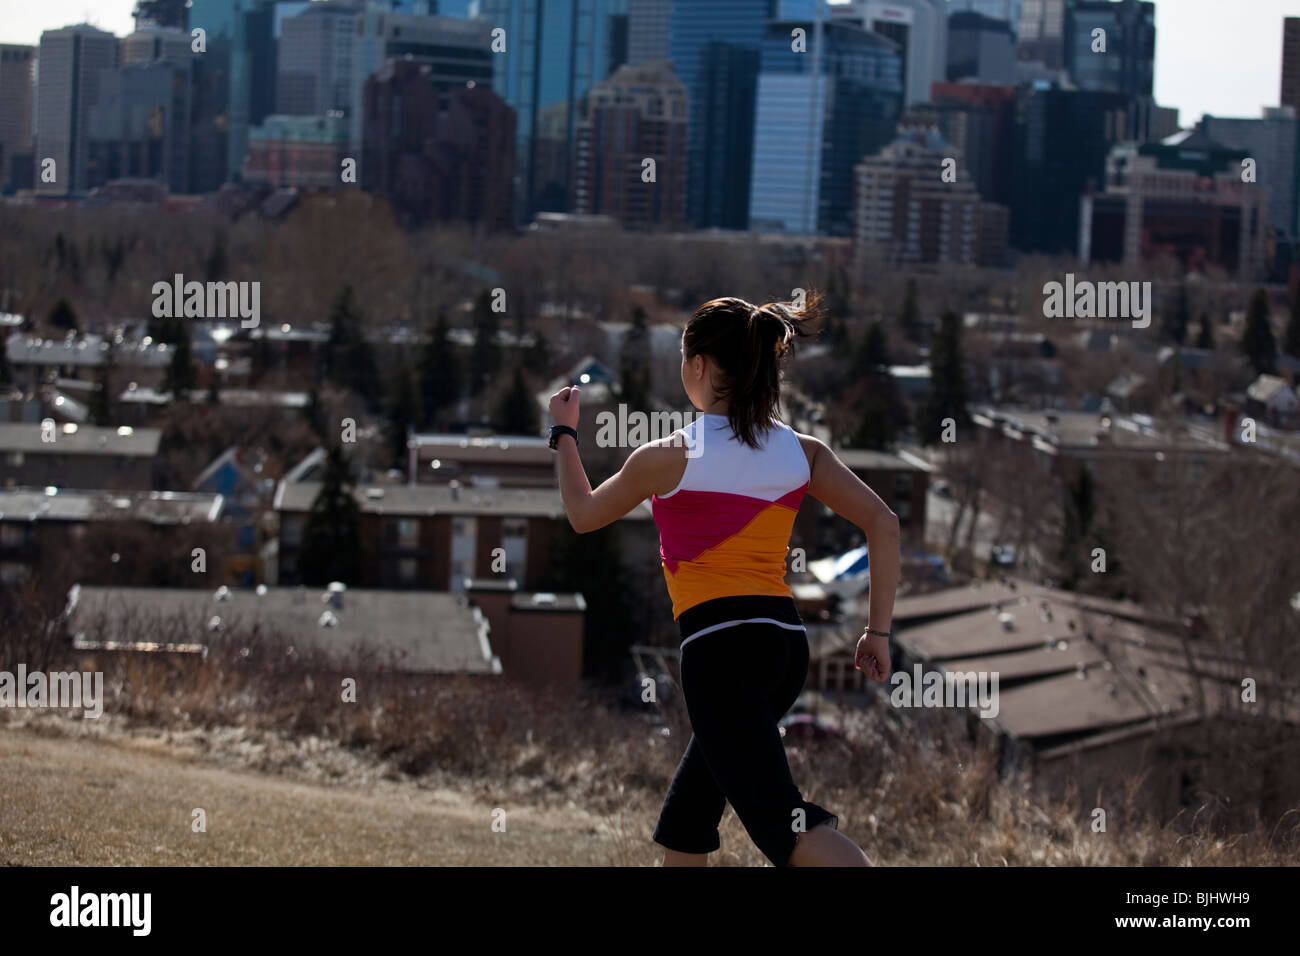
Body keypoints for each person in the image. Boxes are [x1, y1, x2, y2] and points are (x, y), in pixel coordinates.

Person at [547, 294, 899, 867]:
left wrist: (563, 434)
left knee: (783, 825)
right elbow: (883, 522)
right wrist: (877, 633)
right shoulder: (802, 451)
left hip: (720, 650)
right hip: (783, 645)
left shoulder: (668, 455)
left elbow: (583, 514)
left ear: (700, 365)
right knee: (687, 824)